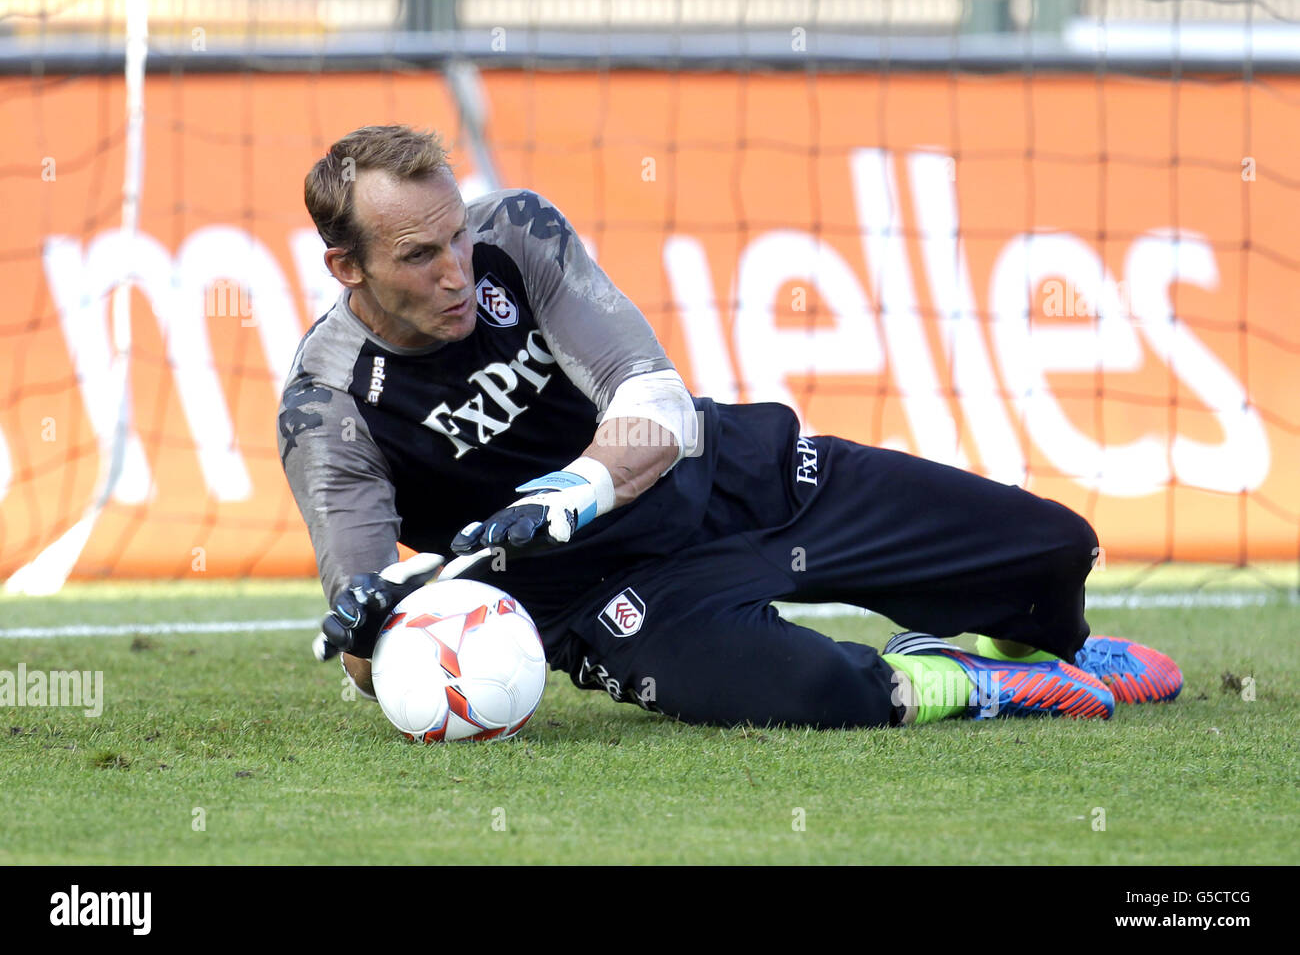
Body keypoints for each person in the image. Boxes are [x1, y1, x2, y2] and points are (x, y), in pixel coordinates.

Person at [278, 124, 1182, 731]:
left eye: (455, 237)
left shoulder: (516, 233)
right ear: (345, 266)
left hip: (733, 480)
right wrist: (370, 628)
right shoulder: (326, 408)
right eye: (419, 255)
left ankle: (1026, 639)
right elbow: (366, 655)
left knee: (1056, 548)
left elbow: (651, 397)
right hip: (603, 598)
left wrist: (575, 489)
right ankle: (964, 682)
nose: (456, 272)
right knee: (821, 688)